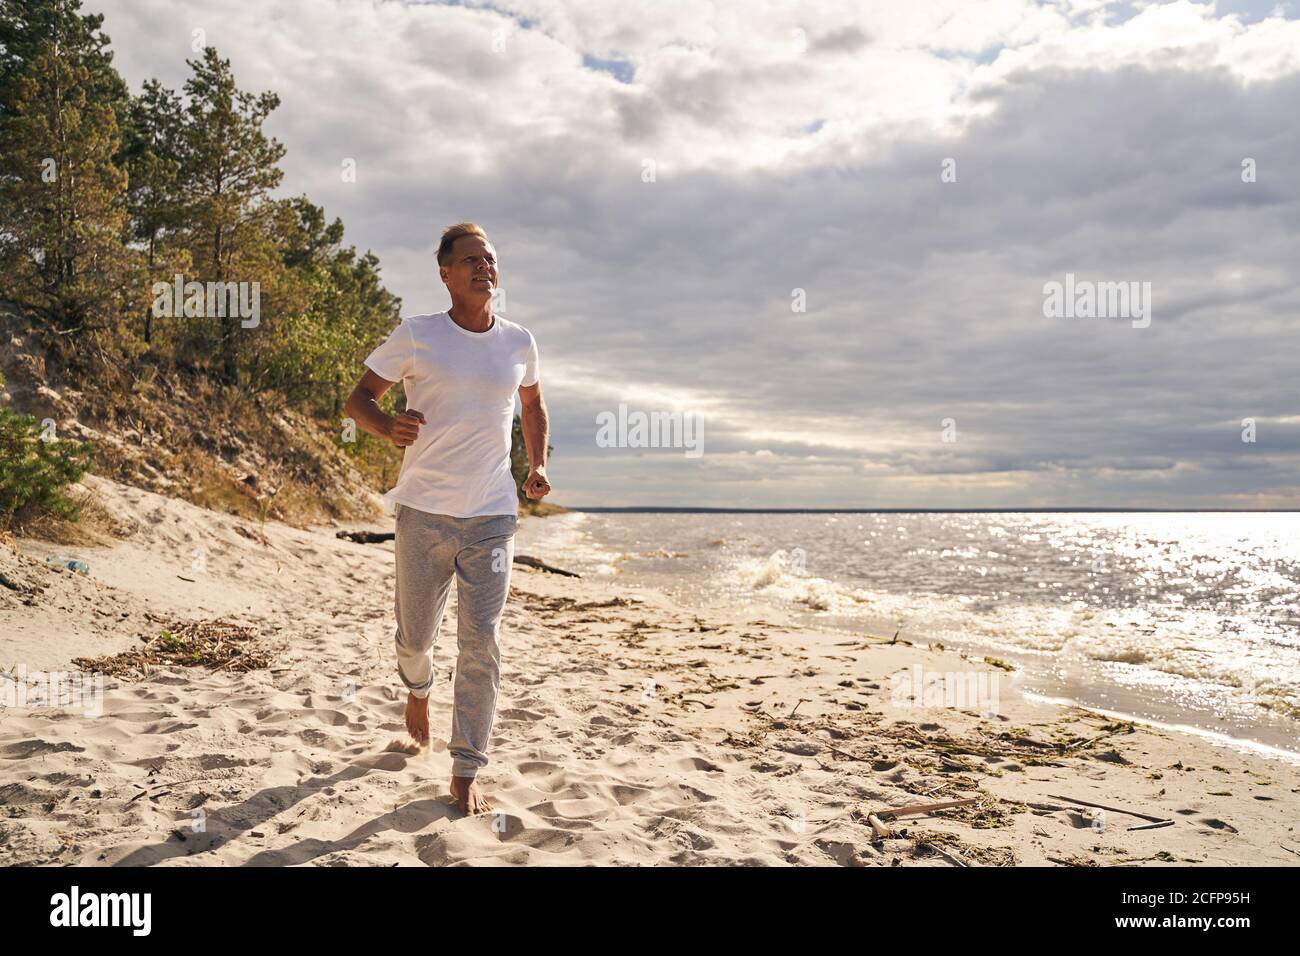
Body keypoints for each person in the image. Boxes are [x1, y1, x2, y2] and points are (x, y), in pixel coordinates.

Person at [344, 222, 550, 814]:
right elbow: (359, 399)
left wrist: (534, 464)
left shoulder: (518, 342)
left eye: (489, 258)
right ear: (445, 273)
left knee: (481, 641)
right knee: (415, 636)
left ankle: (465, 767)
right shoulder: (418, 336)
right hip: (423, 513)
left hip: (491, 514)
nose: (483, 266)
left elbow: (533, 404)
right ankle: (417, 688)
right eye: (470, 259)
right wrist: (386, 427)